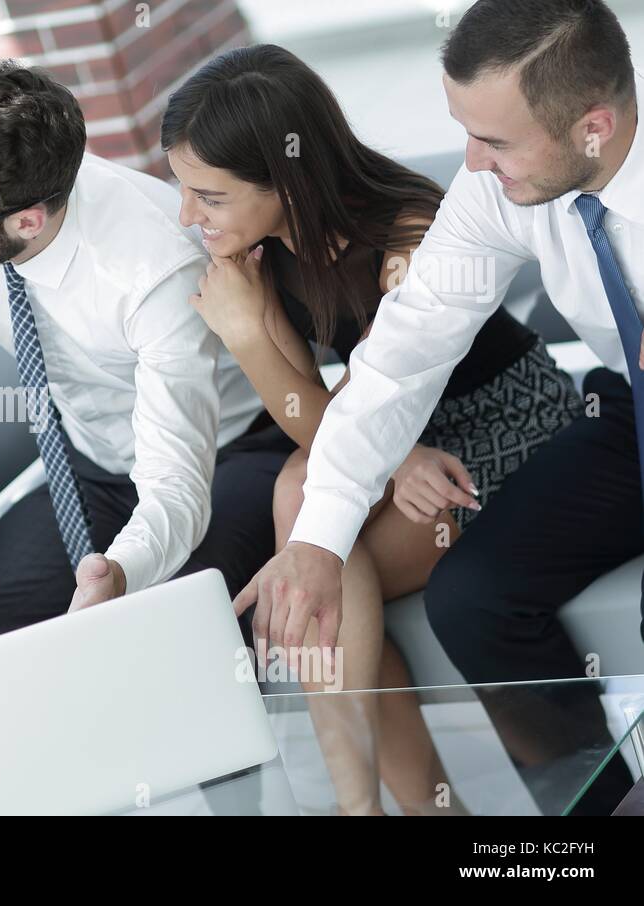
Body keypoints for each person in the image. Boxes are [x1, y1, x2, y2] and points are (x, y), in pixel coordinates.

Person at [239, 0, 642, 815]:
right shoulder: (495, 188)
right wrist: (318, 540)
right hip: (627, 409)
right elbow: (398, 360)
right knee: (473, 596)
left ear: (594, 125)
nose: (471, 159)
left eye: (494, 140)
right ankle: (593, 813)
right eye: (466, 130)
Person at [162, 43, 580, 813]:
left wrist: (246, 336)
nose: (190, 218)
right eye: (184, 193)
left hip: (502, 423)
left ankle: (381, 809)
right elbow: (309, 428)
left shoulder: (408, 232)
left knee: (323, 571)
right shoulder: (267, 252)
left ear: (283, 178)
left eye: (209, 197)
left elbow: (375, 404)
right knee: (307, 503)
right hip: (389, 448)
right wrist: (382, 457)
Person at [0, 60, 292, 661]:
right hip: (95, 462)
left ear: (28, 221)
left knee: (171, 642)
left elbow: (176, 481)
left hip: (227, 453)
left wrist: (119, 577)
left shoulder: (154, 268)